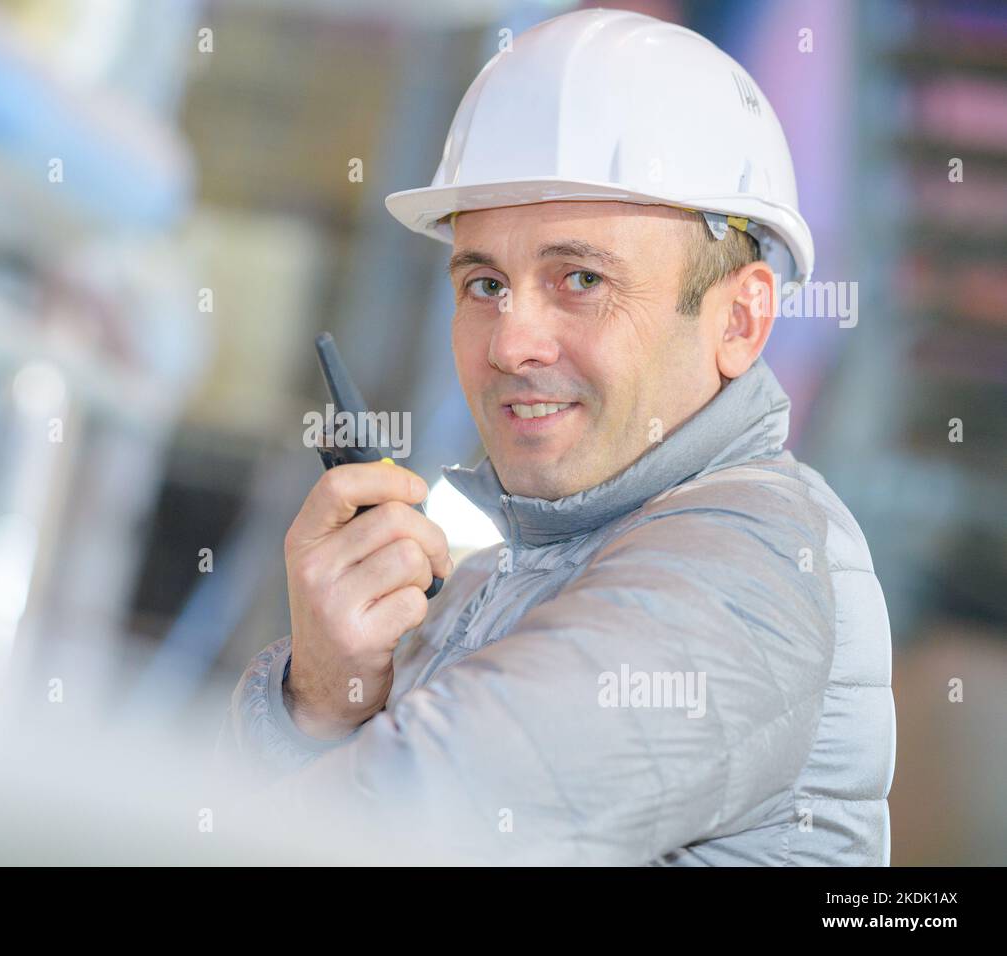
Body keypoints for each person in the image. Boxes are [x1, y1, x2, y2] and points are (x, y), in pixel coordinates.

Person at [219, 7, 895, 865]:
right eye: (484, 282)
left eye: (580, 279)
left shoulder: (752, 571)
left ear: (741, 320)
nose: (509, 343)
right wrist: (322, 696)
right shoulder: (521, 543)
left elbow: (390, 829)